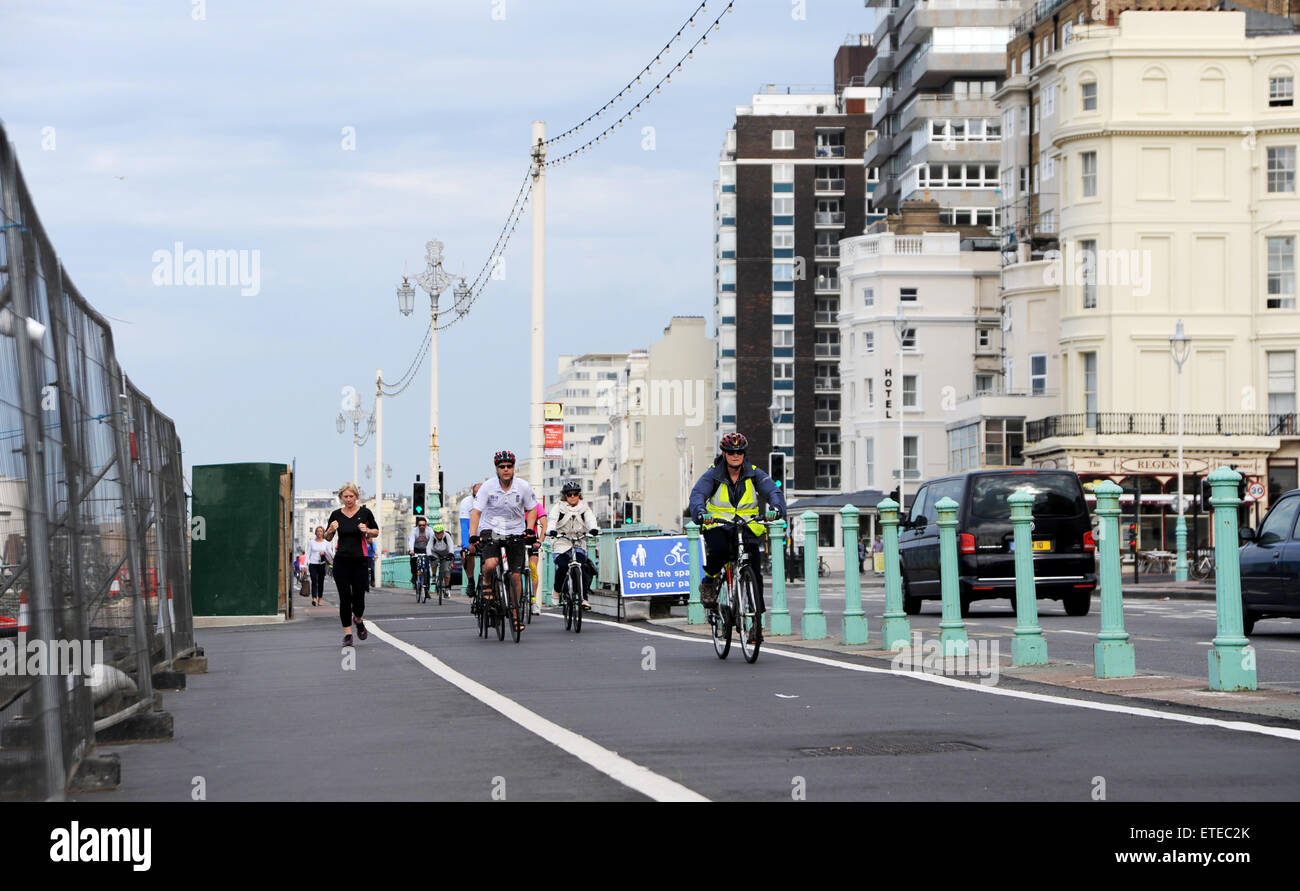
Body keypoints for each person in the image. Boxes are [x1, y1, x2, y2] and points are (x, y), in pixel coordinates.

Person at [688, 432, 786, 644]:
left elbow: (773, 492)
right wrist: (701, 513)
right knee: (720, 552)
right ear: (724, 453)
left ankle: (756, 624)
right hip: (719, 525)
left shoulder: (754, 474)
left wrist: (776, 507)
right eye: (731, 452)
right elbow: (697, 495)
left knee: (755, 572)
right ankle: (710, 581)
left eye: (739, 451)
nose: (735, 455)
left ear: (744, 454)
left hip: (746, 526)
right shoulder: (712, 474)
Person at [468, 450, 538, 633]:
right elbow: (476, 512)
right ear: (496, 469)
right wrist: (473, 536)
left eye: (509, 466)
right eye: (502, 467)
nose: (506, 470)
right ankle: (487, 581)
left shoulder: (523, 486)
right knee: (491, 564)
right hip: (492, 530)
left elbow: (532, 509)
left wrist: (530, 528)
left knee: (515, 576)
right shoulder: (487, 487)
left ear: (514, 467)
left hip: (515, 531)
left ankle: (515, 617)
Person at [324, 483, 379, 647]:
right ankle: (348, 634)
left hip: (360, 559)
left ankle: (358, 619)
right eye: (345, 497)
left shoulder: (365, 513)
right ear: (341, 497)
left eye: (351, 496)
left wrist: (367, 530)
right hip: (341, 560)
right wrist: (331, 530)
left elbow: (376, 531)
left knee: (359, 597)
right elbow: (327, 538)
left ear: (356, 497)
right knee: (345, 598)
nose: (348, 499)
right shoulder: (336, 514)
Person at [548, 479, 599, 610]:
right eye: (569, 494)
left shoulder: (584, 507)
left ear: (579, 495)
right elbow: (552, 520)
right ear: (565, 495)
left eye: (575, 494)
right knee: (563, 566)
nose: (572, 497)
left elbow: (591, 519)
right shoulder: (558, 507)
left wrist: (594, 529)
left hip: (579, 541)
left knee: (582, 568)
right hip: (561, 542)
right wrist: (551, 530)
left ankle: (584, 599)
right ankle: (557, 591)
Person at [459, 482, 483, 596]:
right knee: (468, 551)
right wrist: (465, 547)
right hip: (472, 534)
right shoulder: (466, 503)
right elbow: (464, 527)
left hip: (486, 533)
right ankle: (471, 580)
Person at [528, 496, 548, 608]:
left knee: (533, 569)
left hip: (532, 540)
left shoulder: (537, 506)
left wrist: (540, 541)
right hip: (517, 539)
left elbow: (544, 524)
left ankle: (533, 600)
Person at [305, 526, 334, 606]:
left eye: (321, 531)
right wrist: (305, 565)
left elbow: (331, 554)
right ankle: (314, 598)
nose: (319, 533)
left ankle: (320, 599)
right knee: (314, 581)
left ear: (323, 533)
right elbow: (308, 553)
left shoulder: (326, 543)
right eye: (318, 531)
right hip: (313, 564)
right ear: (315, 532)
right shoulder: (311, 542)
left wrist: (325, 553)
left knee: (320, 582)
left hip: (322, 564)